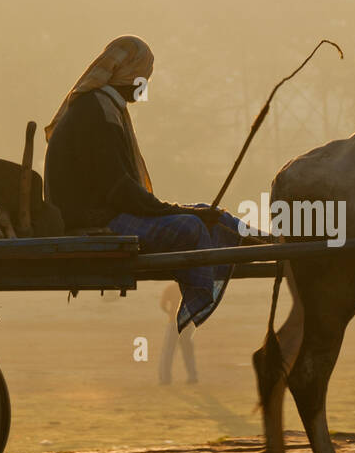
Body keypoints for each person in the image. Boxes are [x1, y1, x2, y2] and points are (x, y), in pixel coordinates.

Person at [43, 35, 248, 331]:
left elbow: (121, 188)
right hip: (91, 219)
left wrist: (186, 209)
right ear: (127, 75)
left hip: (102, 210)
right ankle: (227, 270)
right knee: (190, 226)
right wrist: (179, 211)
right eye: (143, 78)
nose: (145, 86)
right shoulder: (97, 112)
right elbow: (119, 190)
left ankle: (261, 240)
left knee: (205, 212)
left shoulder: (102, 107)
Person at [158, 286, 198, 385]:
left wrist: (170, 313)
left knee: (169, 350)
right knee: (187, 350)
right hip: (188, 323)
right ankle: (192, 376)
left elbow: (162, 305)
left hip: (174, 322)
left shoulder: (170, 288)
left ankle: (165, 379)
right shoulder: (190, 288)